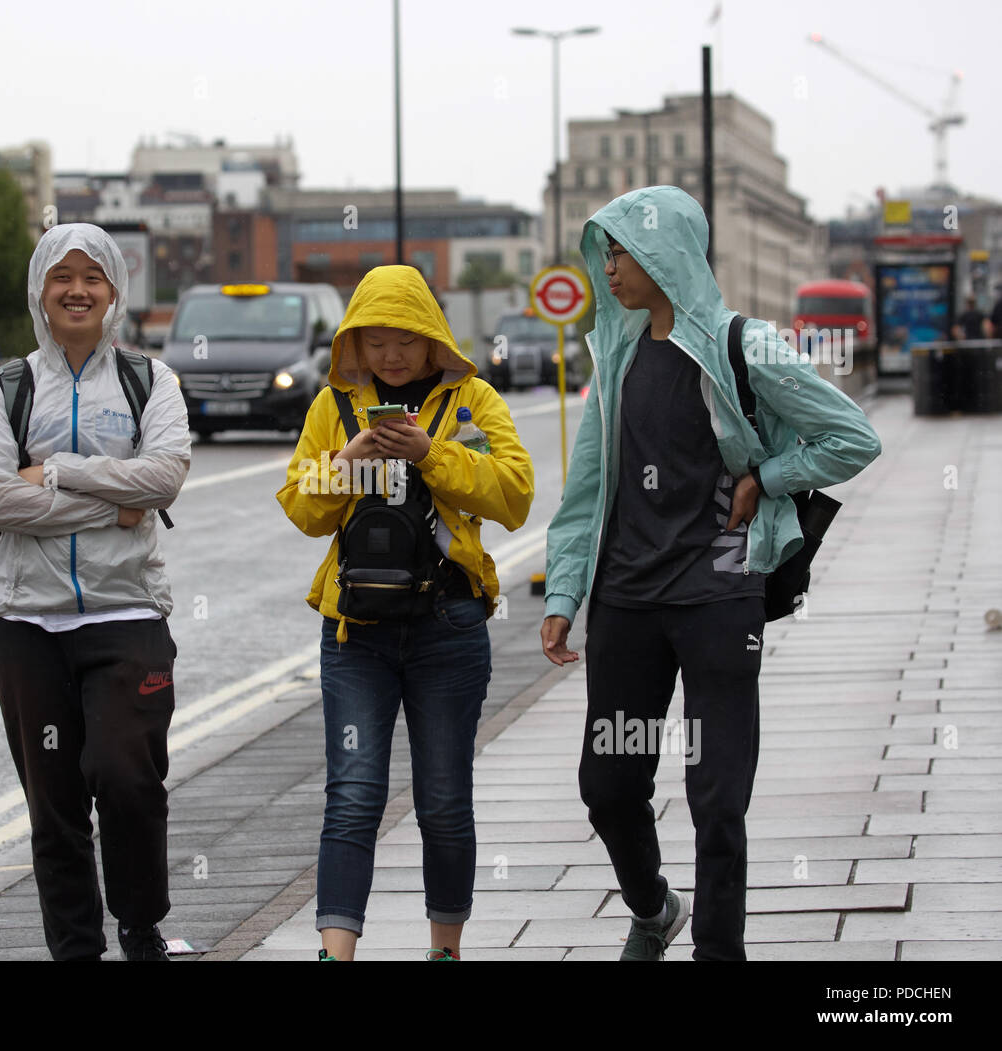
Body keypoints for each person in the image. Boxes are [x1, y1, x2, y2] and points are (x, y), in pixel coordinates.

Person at [540, 186, 881, 961]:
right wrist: (565, 591)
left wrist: (773, 473)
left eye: (623, 250)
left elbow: (852, 436)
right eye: (608, 252)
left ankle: (720, 951)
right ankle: (654, 905)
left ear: (668, 254)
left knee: (717, 798)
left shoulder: (744, 345)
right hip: (626, 601)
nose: (610, 266)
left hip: (720, 594)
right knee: (610, 785)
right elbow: (587, 489)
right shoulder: (617, 357)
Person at [277, 264, 534, 961]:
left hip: (448, 627)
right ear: (354, 344)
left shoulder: (472, 401)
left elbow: (514, 494)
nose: (391, 357)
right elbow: (302, 506)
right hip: (355, 630)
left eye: (407, 341)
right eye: (376, 342)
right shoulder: (335, 404)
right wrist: (350, 460)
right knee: (353, 794)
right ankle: (336, 954)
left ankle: (444, 950)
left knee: (444, 800)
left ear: (433, 339)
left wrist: (434, 454)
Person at [0, 223, 191, 962]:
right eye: (61, 276)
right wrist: (114, 502)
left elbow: (163, 478)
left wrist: (57, 470)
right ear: (40, 292)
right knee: (54, 804)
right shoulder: (3, 390)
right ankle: (75, 949)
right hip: (28, 622)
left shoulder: (150, 380)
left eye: (92, 276)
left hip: (128, 613)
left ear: (114, 292)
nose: (76, 289)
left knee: (126, 776)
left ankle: (140, 922)